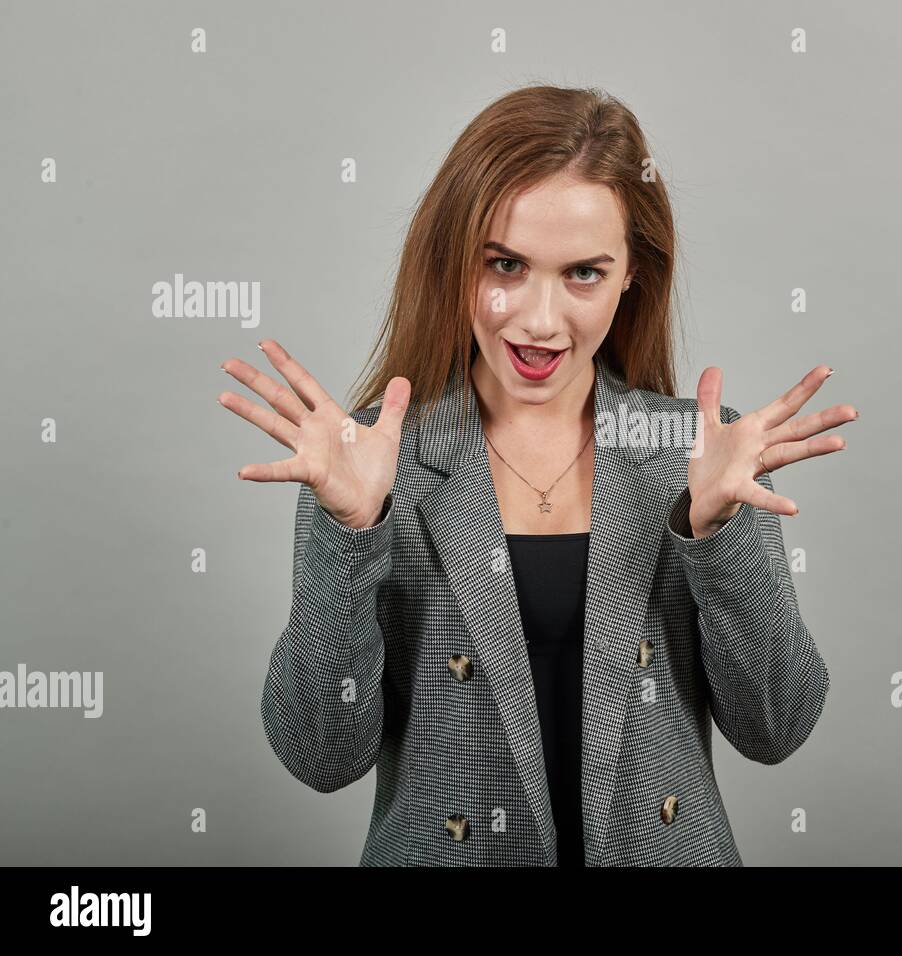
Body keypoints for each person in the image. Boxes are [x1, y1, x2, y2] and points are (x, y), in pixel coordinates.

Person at [217, 85, 856, 866]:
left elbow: (776, 728)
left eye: (583, 272)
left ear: (632, 277)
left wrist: (713, 532)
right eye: (505, 265)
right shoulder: (376, 460)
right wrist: (352, 533)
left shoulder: (694, 451)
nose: (540, 320)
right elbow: (319, 758)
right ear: (454, 262)